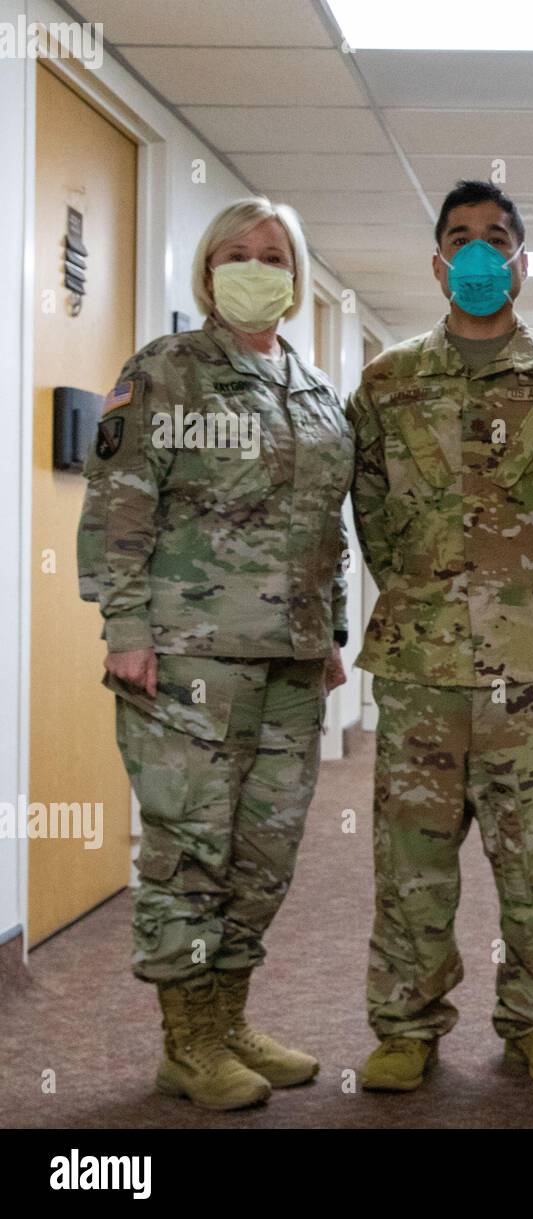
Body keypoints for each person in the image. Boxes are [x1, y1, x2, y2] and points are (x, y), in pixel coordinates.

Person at [77, 196, 353, 1111]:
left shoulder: (311, 388)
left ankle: (229, 1015)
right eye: (236, 252)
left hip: (290, 661)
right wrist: (125, 630)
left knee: (264, 854)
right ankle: (186, 1041)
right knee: (191, 848)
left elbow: (327, 527)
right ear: (206, 269)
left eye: (273, 253)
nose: (256, 264)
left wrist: (333, 631)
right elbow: (119, 506)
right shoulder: (165, 371)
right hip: (190, 656)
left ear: (294, 274)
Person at [347, 180, 533, 1091]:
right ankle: (406, 1025)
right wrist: (434, 597)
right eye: (459, 237)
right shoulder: (387, 380)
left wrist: (531, 602)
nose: (477, 252)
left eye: (495, 237)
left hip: (532, 669)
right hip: (421, 667)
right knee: (412, 860)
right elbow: (373, 515)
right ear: (435, 262)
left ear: (521, 261)